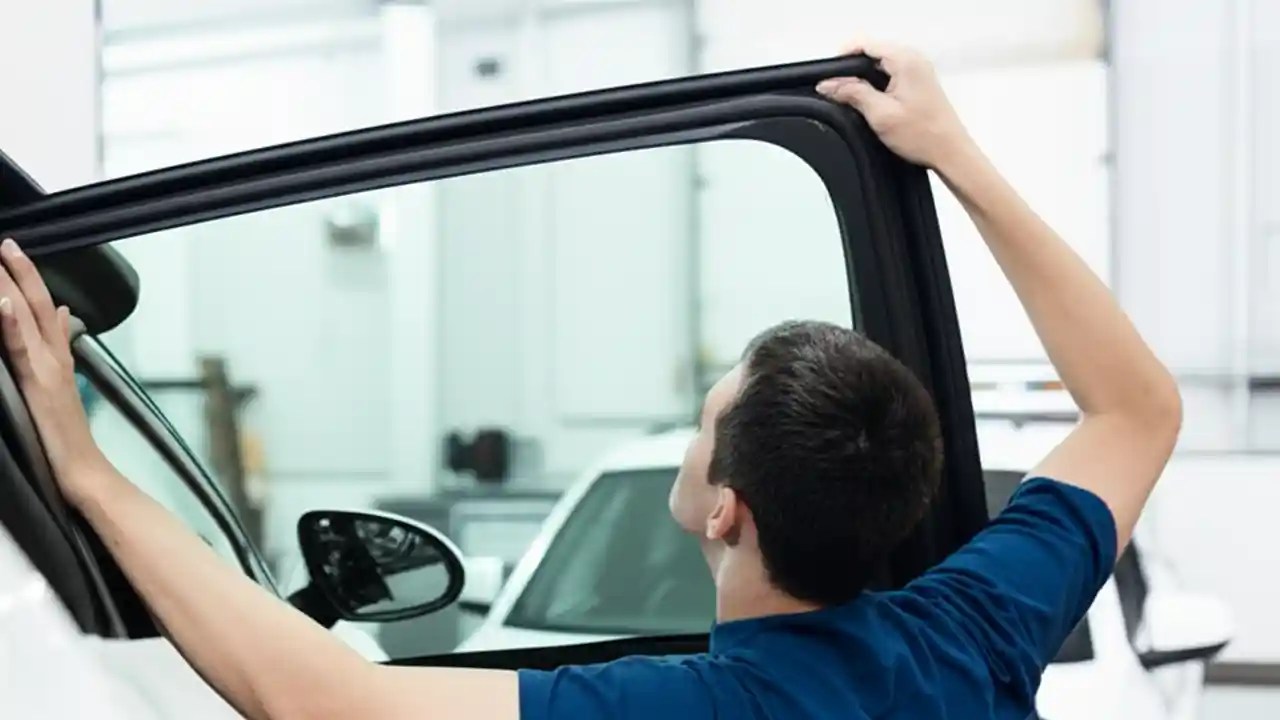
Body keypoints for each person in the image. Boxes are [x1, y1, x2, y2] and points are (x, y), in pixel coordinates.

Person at [0, 38, 1181, 720]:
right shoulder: (973, 631)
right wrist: (955, 157)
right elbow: (1135, 409)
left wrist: (85, 469)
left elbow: (311, 701)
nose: (691, 426)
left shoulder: (680, 708)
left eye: (704, 419)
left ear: (725, 510)